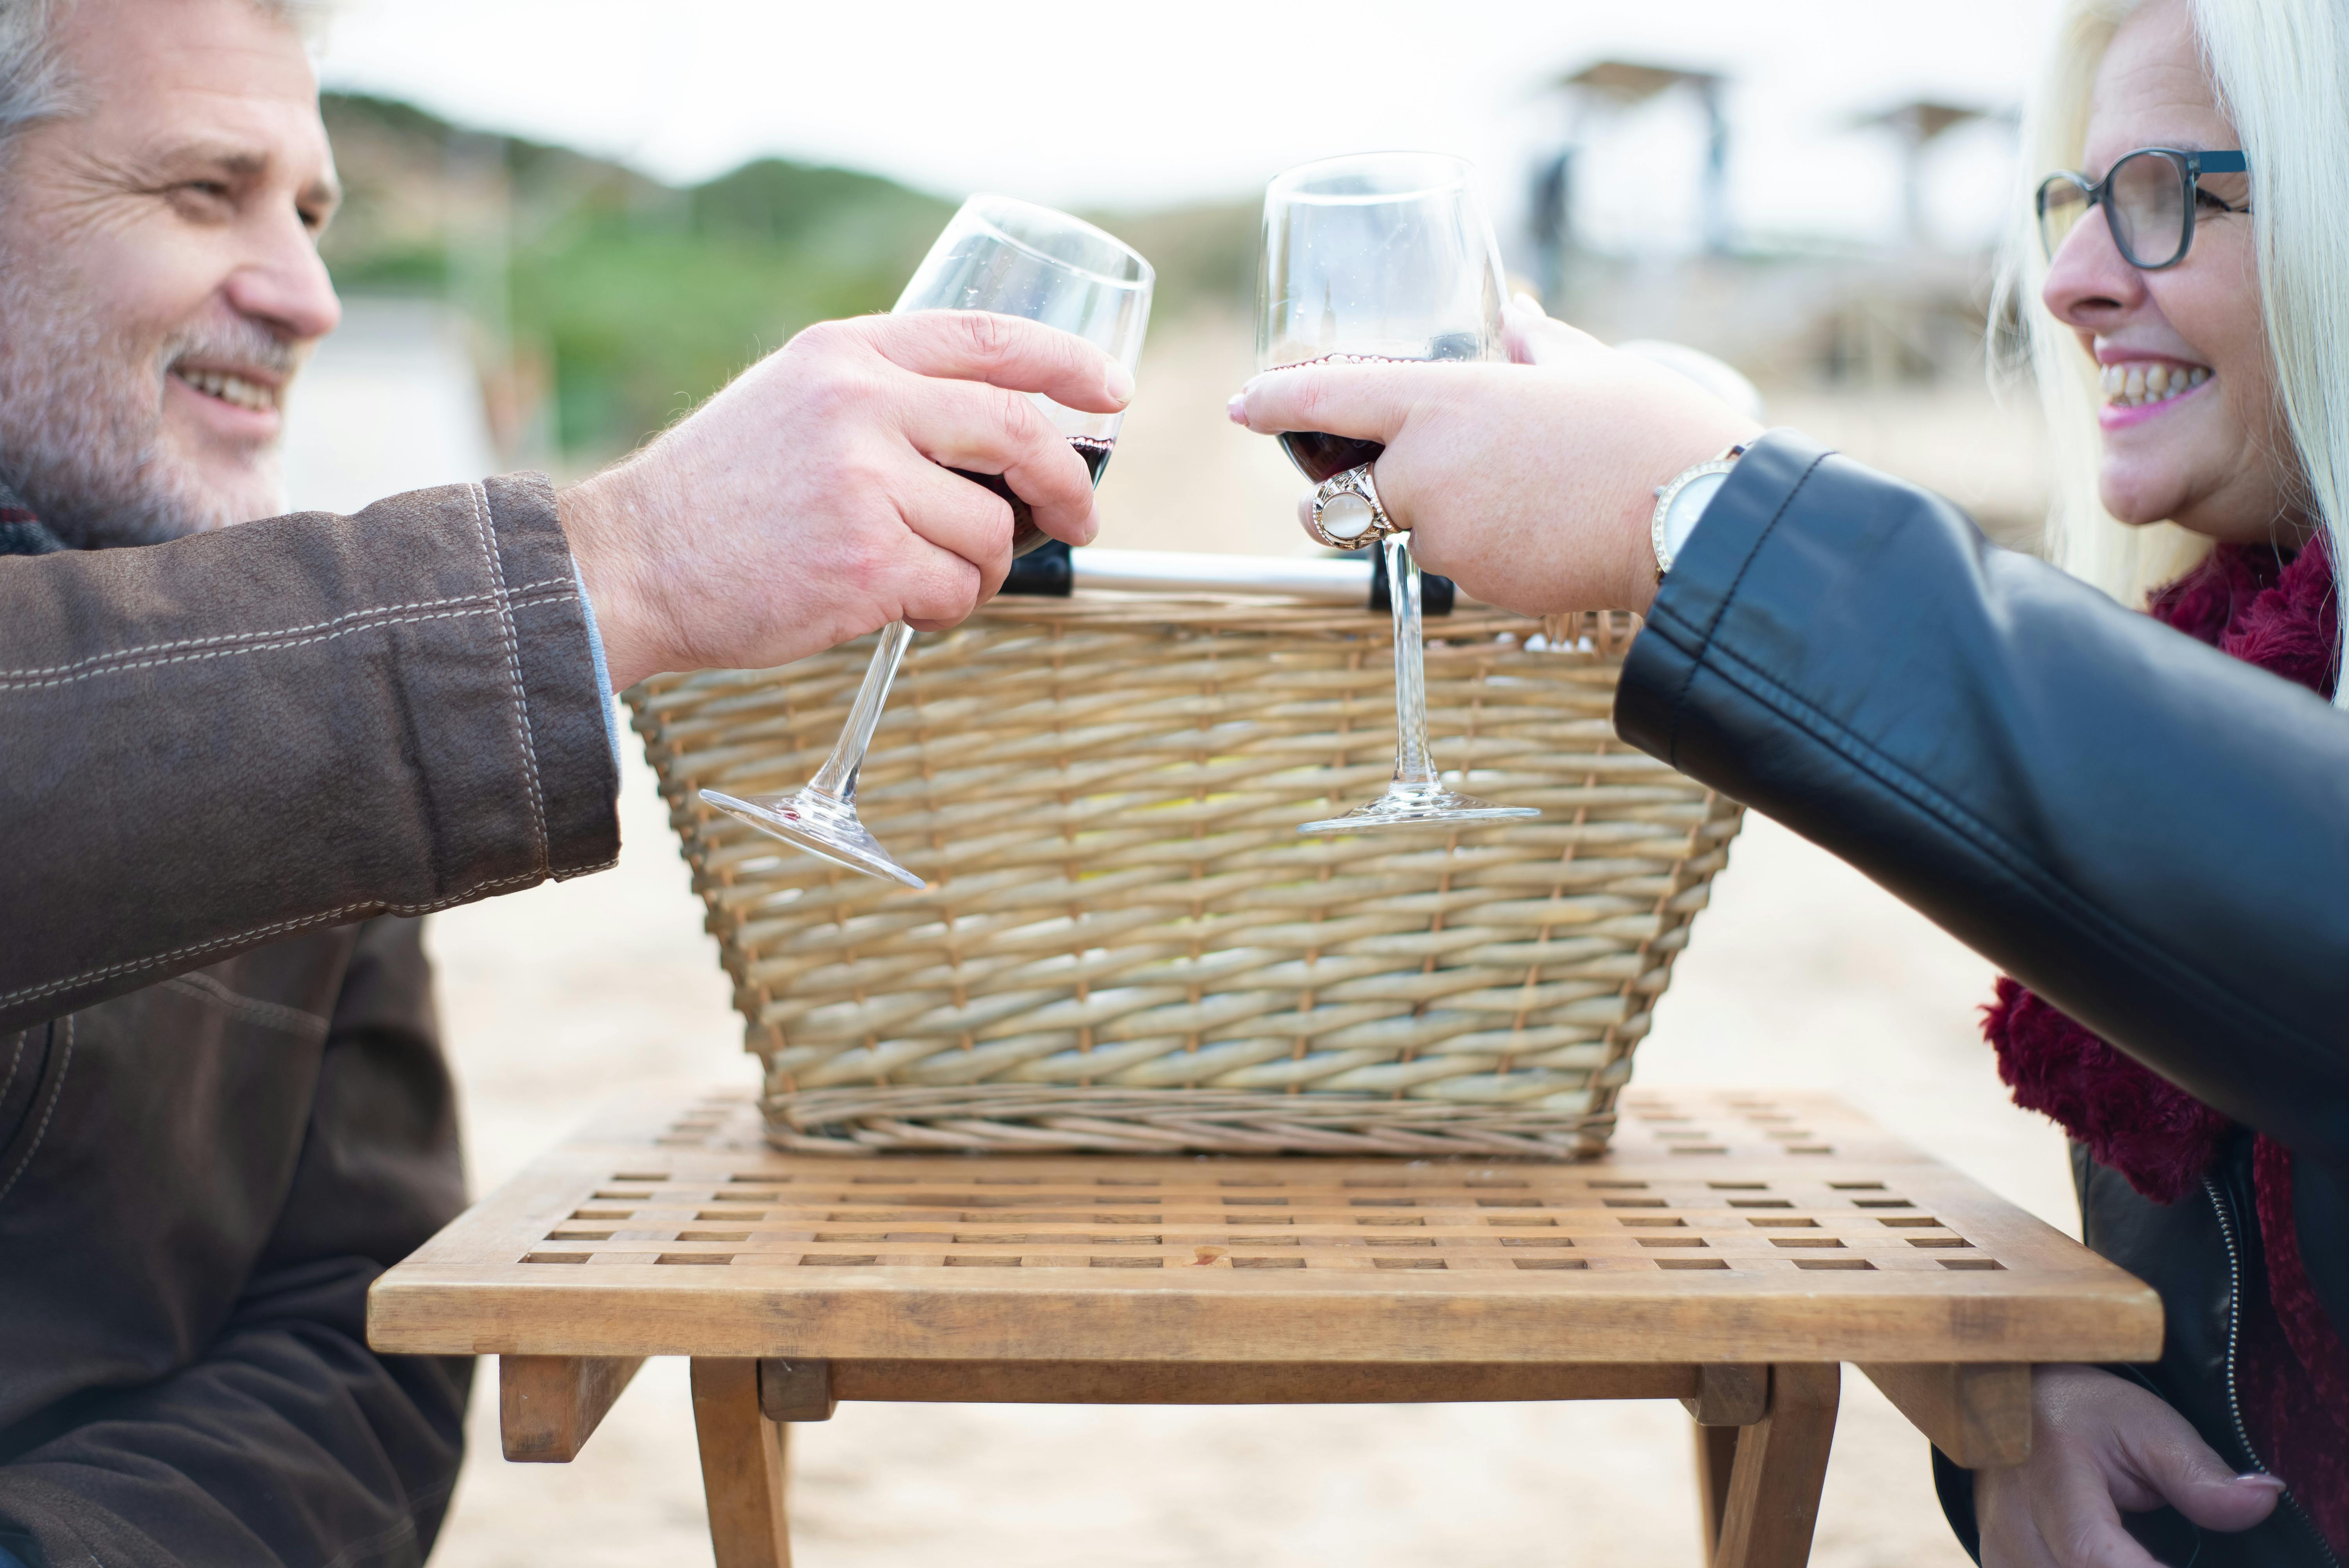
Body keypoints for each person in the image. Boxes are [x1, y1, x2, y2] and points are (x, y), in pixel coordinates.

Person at [0, 1, 1125, 1564]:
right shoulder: (331, 685)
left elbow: (353, 1337)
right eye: (204, 191)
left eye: (313, 214)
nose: (311, 296)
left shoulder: (318, 715)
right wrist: (625, 562)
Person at [1229, 0, 2345, 1563]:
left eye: (2168, 195)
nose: (2074, 278)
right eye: (2075, 202)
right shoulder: (2238, 653)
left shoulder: (2216, 718)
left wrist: (1697, 510)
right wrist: (2027, 1401)